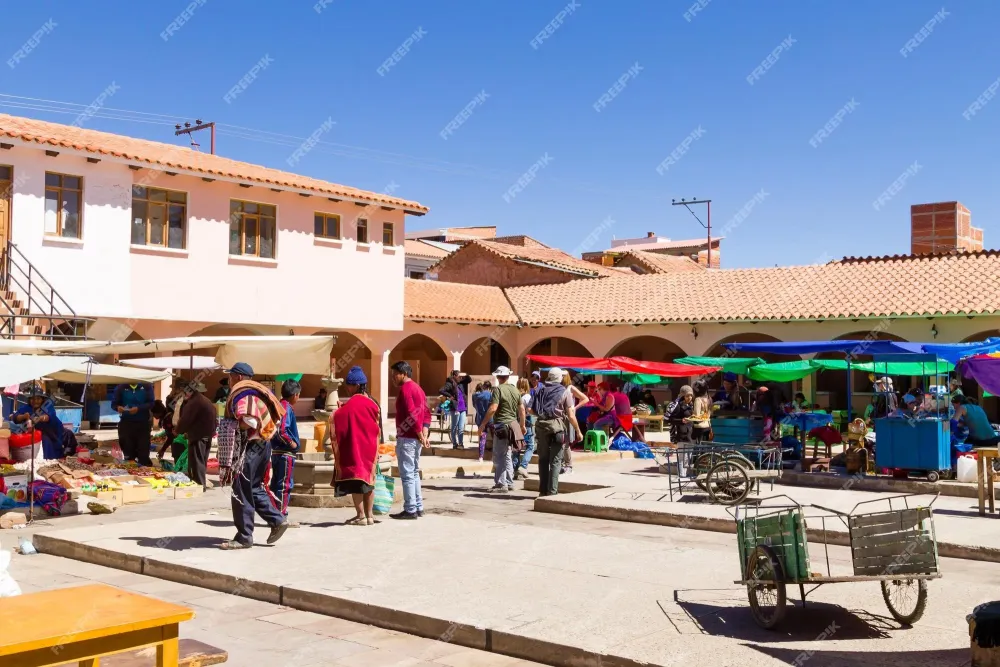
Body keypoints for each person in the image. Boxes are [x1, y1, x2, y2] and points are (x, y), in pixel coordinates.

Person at [220, 362, 288, 550]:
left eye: (231, 376)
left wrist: (233, 427)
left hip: (250, 447)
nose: (230, 379)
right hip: (263, 445)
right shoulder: (257, 392)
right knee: (254, 487)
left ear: (239, 377)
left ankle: (244, 537)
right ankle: (277, 520)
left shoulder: (243, 393)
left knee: (240, 490)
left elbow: (250, 420)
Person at [332, 366, 381, 525]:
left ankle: (360, 516)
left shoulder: (352, 403)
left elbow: (339, 417)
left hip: (355, 448)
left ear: (356, 386)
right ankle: (370, 516)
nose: (347, 388)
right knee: (369, 481)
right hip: (371, 449)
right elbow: (377, 425)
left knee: (356, 481)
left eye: (349, 385)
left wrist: (339, 410)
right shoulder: (373, 402)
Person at [531, 368, 583, 496]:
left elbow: (530, 409)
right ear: (559, 378)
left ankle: (542, 491)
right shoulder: (565, 392)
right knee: (555, 461)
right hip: (557, 428)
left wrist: (541, 416)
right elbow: (571, 415)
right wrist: (578, 431)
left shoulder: (540, 390)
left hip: (541, 427)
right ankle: (552, 491)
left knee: (543, 460)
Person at [391, 361, 430, 519]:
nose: (393, 378)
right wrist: (424, 432)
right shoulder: (418, 389)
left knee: (407, 473)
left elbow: (411, 413)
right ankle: (418, 506)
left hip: (408, 437)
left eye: (395, 374)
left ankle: (410, 509)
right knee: (414, 472)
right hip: (416, 437)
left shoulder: (406, 389)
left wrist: (419, 432)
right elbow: (426, 412)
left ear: (403, 373)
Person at [477, 365, 525, 493]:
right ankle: (509, 482)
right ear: (508, 376)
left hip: (501, 426)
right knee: (507, 454)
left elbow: (493, 408)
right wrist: (522, 425)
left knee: (499, 455)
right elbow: (522, 409)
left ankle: (500, 484)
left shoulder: (498, 390)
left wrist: (482, 425)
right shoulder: (515, 390)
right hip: (513, 426)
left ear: (498, 377)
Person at [268, 380, 301, 516]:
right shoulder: (286, 407)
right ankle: (280, 515)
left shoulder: (279, 405)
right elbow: (282, 430)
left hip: (276, 452)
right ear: (295, 395)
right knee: (284, 485)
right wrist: (292, 443)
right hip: (285, 453)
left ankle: (274, 513)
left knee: (276, 484)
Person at [175, 381, 217, 488]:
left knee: (197, 461)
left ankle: (199, 485)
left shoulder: (195, 402)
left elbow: (186, 419)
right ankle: (200, 483)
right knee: (201, 460)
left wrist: (178, 430)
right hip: (207, 434)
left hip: (198, 435)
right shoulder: (205, 400)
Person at [9, 386, 64, 460]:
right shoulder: (26, 408)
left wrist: (41, 418)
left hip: (51, 434)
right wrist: (23, 416)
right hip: (35, 434)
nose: (35, 401)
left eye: (38, 398)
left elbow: (50, 416)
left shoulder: (48, 407)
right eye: (32, 398)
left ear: (42, 399)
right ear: (29, 400)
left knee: (46, 443)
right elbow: (15, 417)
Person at [111, 381, 154, 466]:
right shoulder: (121, 387)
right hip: (126, 424)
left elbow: (151, 403)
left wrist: (139, 408)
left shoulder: (147, 386)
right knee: (128, 452)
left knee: (143, 452)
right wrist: (118, 407)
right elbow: (114, 404)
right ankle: (131, 471)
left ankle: (144, 471)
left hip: (143, 424)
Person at [561, 373, 589, 474]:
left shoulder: (570, 387)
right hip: (560, 417)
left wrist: (575, 407)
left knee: (566, 442)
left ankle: (568, 465)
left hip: (569, 417)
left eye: (563, 375)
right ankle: (563, 464)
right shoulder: (558, 387)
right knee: (561, 441)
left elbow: (585, 399)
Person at [441, 370, 472, 449]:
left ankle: (461, 444)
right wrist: (449, 396)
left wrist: (466, 374)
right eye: (458, 376)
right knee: (454, 426)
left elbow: (469, 380)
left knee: (461, 427)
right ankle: (455, 443)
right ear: (454, 376)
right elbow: (441, 390)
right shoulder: (449, 383)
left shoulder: (461, 383)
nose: (460, 377)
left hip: (463, 408)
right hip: (455, 408)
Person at [513, 378, 536, 480]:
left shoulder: (515, 396)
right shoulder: (528, 397)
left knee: (517, 447)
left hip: (515, 422)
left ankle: (514, 469)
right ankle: (523, 466)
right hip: (526, 423)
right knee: (530, 446)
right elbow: (529, 410)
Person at [472, 382, 493, 462]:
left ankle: (481, 457)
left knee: (482, 437)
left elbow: (474, 405)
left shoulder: (474, 396)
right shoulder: (489, 394)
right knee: (495, 437)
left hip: (480, 418)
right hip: (490, 418)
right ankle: (494, 456)